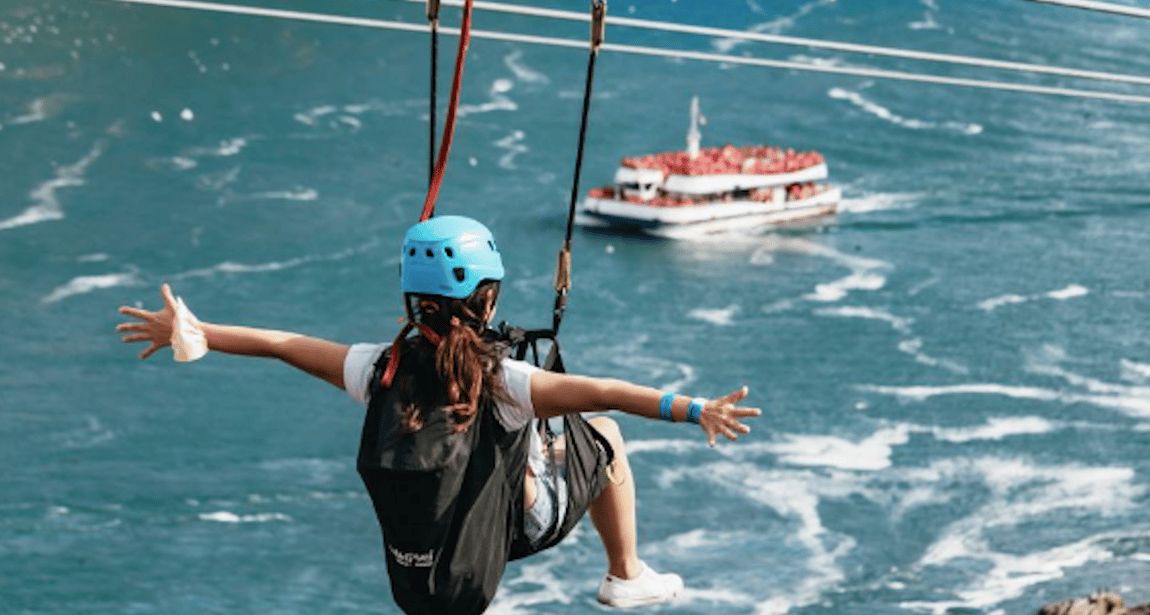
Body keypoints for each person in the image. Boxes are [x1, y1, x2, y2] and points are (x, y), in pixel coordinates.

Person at [117, 215, 759, 612]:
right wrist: (694, 408)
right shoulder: (506, 381)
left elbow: (284, 346)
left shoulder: (379, 368)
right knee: (607, 437)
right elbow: (611, 393)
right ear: (488, 299)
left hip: (442, 543)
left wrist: (194, 331)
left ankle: (615, 566)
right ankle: (625, 576)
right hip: (516, 527)